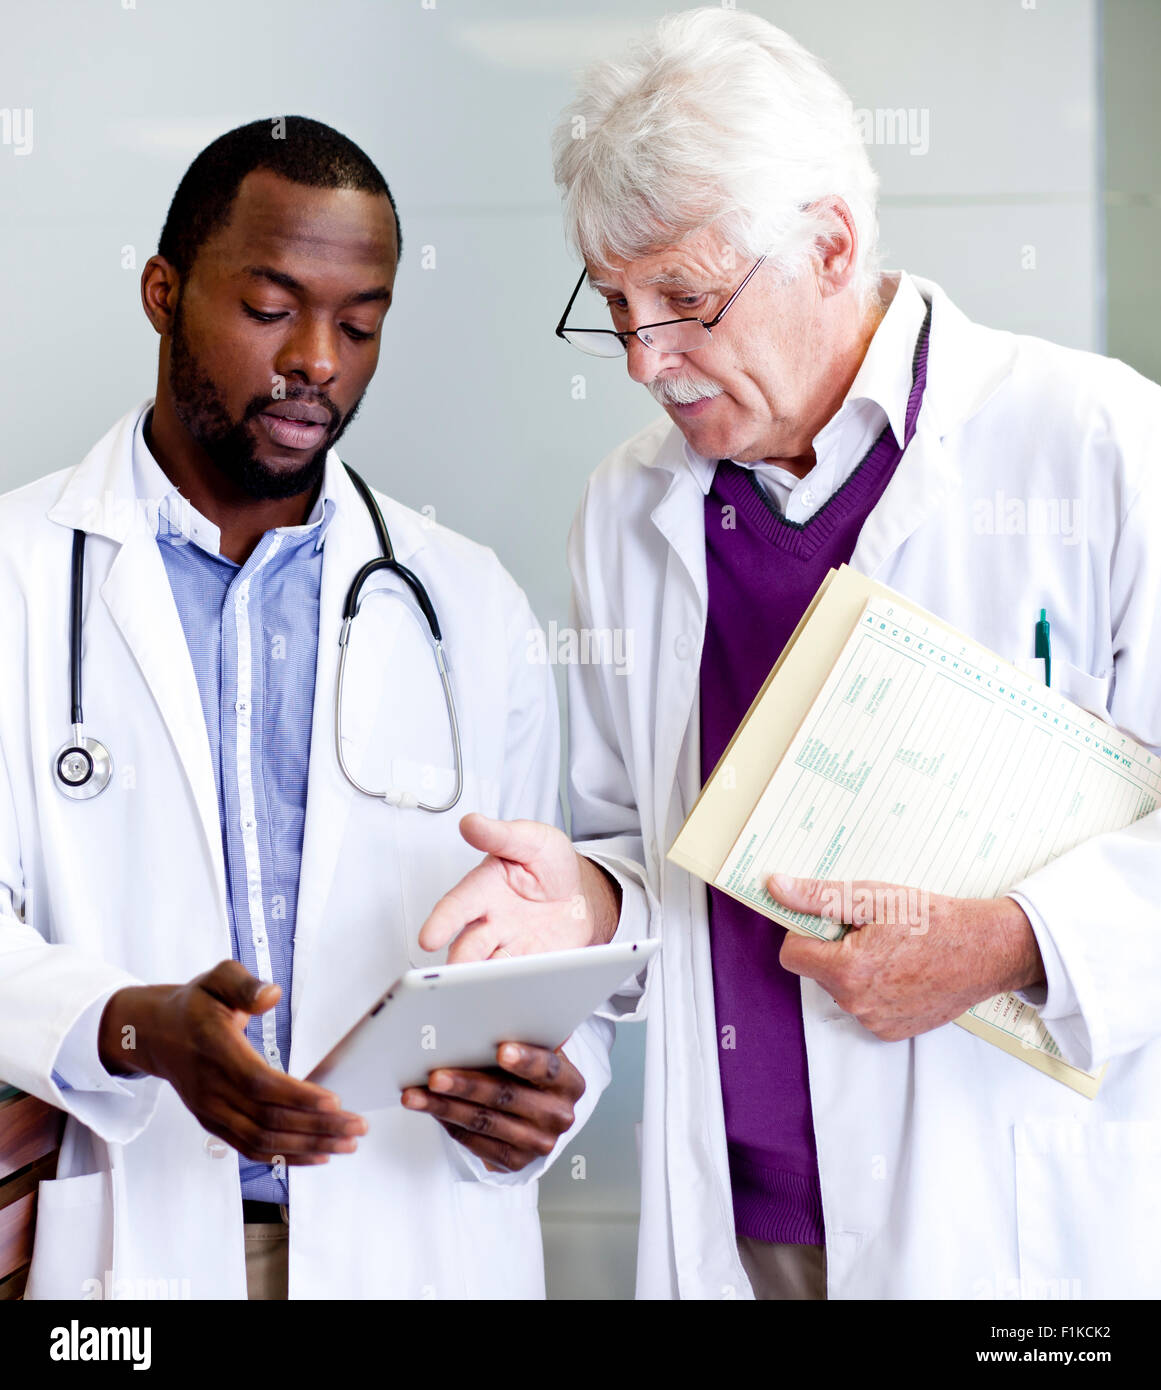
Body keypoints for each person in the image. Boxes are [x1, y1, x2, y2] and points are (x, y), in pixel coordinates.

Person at [419, 10, 1161, 1299]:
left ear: (830, 244)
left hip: (1010, 1226)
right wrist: (582, 901)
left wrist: (1010, 938)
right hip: (742, 1221)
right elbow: (650, 850)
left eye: (688, 303)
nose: (649, 360)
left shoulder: (1092, 443)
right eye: (618, 309)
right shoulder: (629, 507)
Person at [0, 116, 613, 1300]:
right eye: (273, 309)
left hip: (411, 1234)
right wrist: (131, 1026)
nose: (319, 360)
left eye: (362, 322)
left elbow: (541, 933)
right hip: (132, 1239)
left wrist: (542, 1089)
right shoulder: (18, 573)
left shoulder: (467, 604)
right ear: (164, 292)